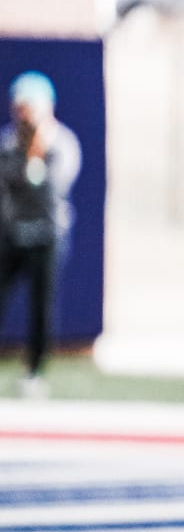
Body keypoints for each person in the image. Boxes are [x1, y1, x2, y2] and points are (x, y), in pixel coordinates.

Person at [0, 71, 81, 399]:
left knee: (41, 306)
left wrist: (35, 155)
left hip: (46, 236)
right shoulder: (7, 142)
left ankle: (35, 372)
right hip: (12, 233)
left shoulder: (61, 143)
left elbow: (50, 188)